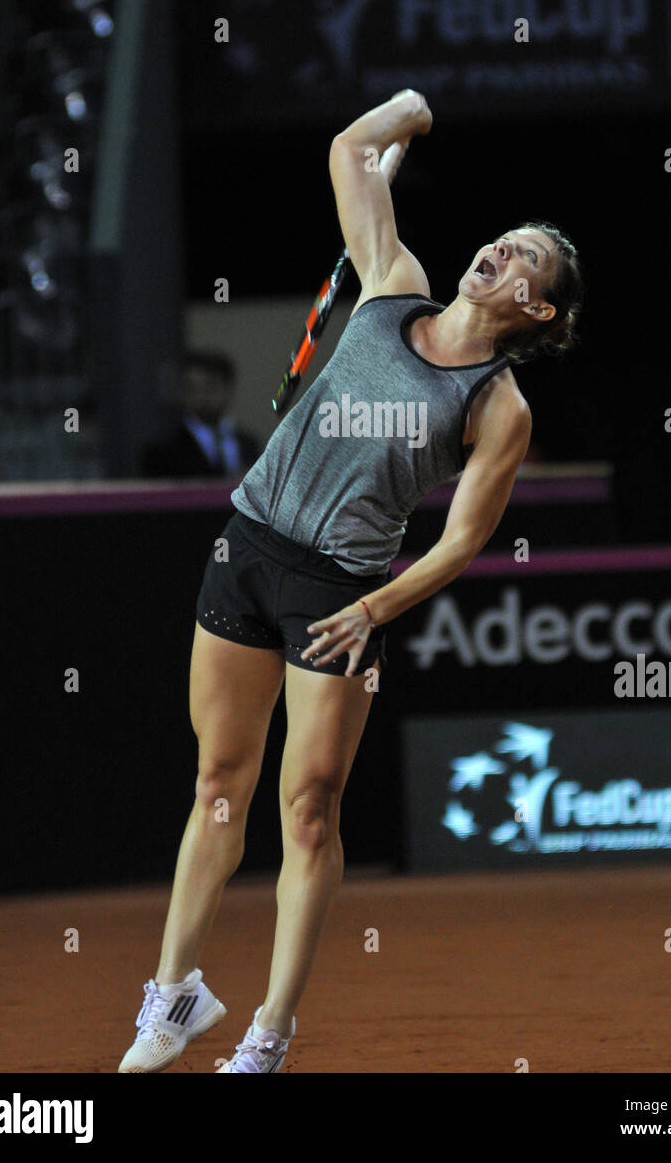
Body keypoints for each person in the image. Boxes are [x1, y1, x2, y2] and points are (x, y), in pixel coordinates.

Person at [118, 90, 583, 1074]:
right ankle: (173, 995)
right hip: (247, 548)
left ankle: (269, 1033)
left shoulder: (498, 407)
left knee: (309, 809)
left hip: (341, 590)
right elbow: (348, 148)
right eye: (504, 239)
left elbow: (460, 544)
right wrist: (406, 110)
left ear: (534, 308)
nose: (502, 251)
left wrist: (372, 608)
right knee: (216, 783)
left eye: (526, 261)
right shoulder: (391, 281)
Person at [141, 352, 260, 480]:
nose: (201, 396)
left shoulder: (248, 445)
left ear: (228, 388)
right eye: (192, 388)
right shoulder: (162, 451)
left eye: (210, 387)